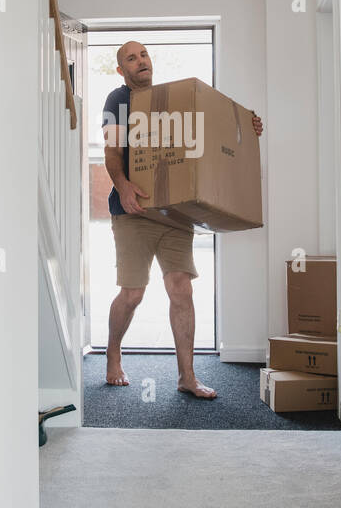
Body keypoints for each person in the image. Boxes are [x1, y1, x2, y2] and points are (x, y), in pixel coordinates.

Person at [101, 41, 263, 399]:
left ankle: (187, 377)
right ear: (121, 70)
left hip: (174, 213)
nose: (140, 61)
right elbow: (112, 151)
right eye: (131, 58)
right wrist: (124, 185)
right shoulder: (117, 101)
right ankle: (113, 353)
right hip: (133, 212)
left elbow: (215, 131)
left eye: (143, 55)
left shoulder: (172, 100)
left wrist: (247, 127)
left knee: (181, 289)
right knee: (132, 293)